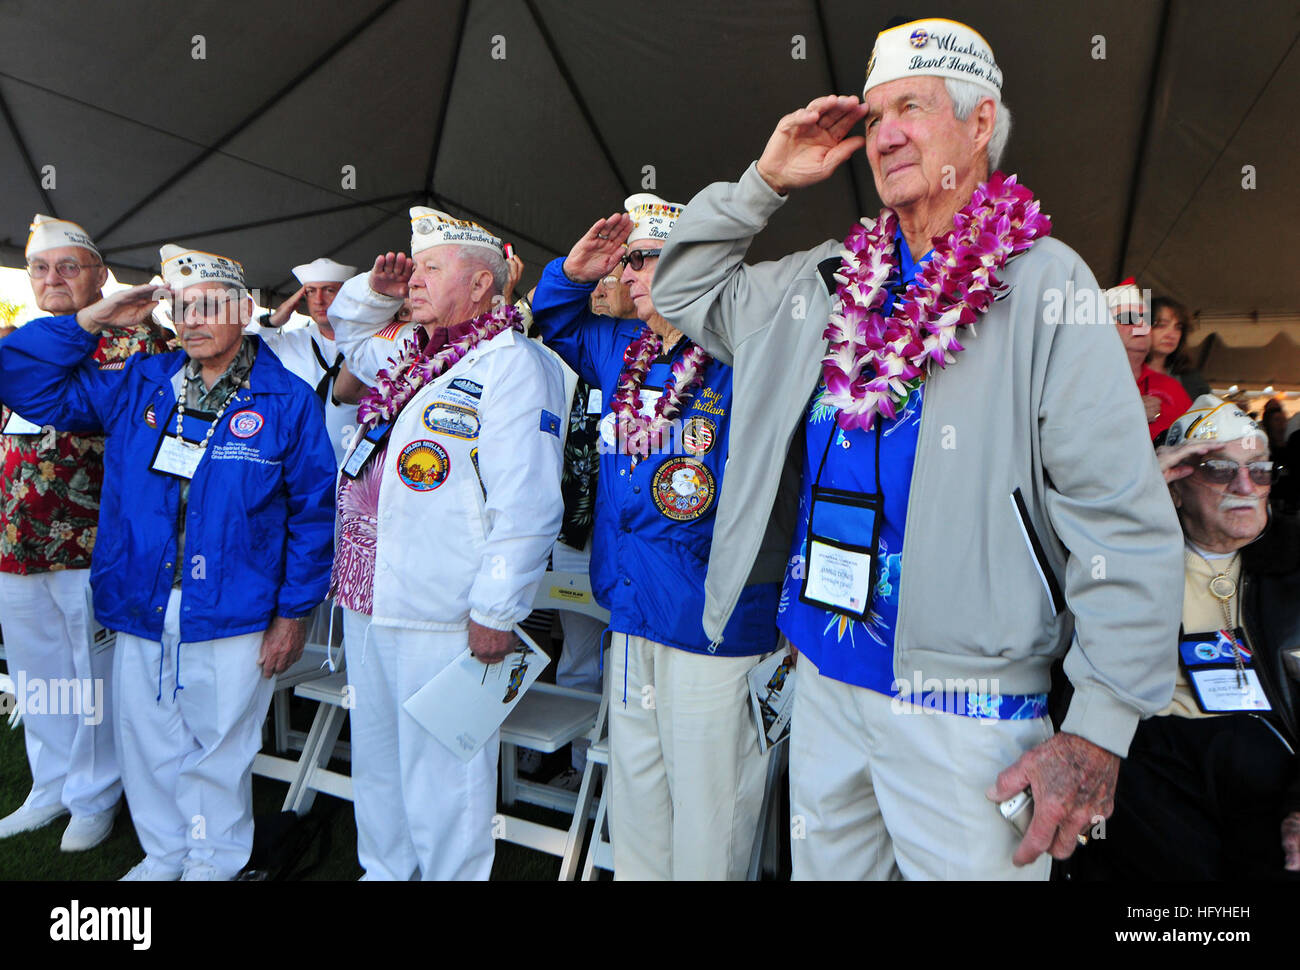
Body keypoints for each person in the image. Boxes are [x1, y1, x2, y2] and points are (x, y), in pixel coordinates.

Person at [652, 16, 1184, 880]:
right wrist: (763, 181)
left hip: (967, 703)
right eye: (875, 116)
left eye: (912, 107)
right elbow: (683, 289)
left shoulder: (1048, 282)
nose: (886, 133)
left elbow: (1120, 517)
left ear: (979, 127)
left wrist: (1099, 724)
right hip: (822, 676)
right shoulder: (823, 282)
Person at [0, 244, 336, 880]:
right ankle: (166, 853)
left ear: (244, 310)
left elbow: (314, 516)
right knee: (149, 739)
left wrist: (294, 615)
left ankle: (213, 860)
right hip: (143, 599)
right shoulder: (140, 384)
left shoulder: (288, 399)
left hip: (235, 605)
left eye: (210, 305)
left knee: (218, 747)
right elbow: (20, 377)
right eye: (182, 308)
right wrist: (90, 320)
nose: (194, 320)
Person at [531, 194, 781, 880]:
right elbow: (555, 317)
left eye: (645, 259)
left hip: (713, 622)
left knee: (712, 812)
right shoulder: (622, 352)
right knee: (639, 799)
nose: (630, 272)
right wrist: (576, 271)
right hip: (632, 609)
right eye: (627, 260)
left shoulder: (741, 349)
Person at [326, 208, 565, 880]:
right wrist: (376, 289)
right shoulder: (411, 358)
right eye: (415, 268)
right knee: (377, 767)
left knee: (445, 788)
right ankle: (384, 872)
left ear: (484, 285)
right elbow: (349, 333)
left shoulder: (514, 364)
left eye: (432, 267)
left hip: (446, 613)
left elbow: (529, 500)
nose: (415, 281)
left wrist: (496, 609)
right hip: (367, 599)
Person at [1070, 396, 1299, 878]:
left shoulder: (1292, 561)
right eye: (1218, 470)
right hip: (1150, 756)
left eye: (1260, 471)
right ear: (1175, 487)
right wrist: (1137, 489)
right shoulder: (1124, 557)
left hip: (1272, 753)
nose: (1245, 485)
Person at [0, 215, 169, 852]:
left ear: (100, 274)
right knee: (38, 674)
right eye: (41, 268)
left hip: (91, 540)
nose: (53, 279)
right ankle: (49, 787)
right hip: (17, 538)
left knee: (93, 675)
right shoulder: (24, 340)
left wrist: (96, 323)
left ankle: (95, 792)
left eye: (69, 267)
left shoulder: (135, 341)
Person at [254, 257, 358, 465]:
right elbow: (239, 353)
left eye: (329, 290)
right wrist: (273, 321)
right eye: (311, 291)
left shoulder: (368, 340)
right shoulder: (289, 342)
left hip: (355, 460)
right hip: (300, 462)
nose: (319, 300)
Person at [1109, 280, 1191, 441]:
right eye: (1128, 318)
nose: (1141, 325)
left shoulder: (1172, 387)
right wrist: (1128, 414)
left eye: (1146, 320)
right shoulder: (1082, 382)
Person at [1146, 295, 1209, 400]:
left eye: (1178, 328)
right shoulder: (1126, 374)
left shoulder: (1191, 378)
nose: (1171, 335)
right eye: (1162, 325)